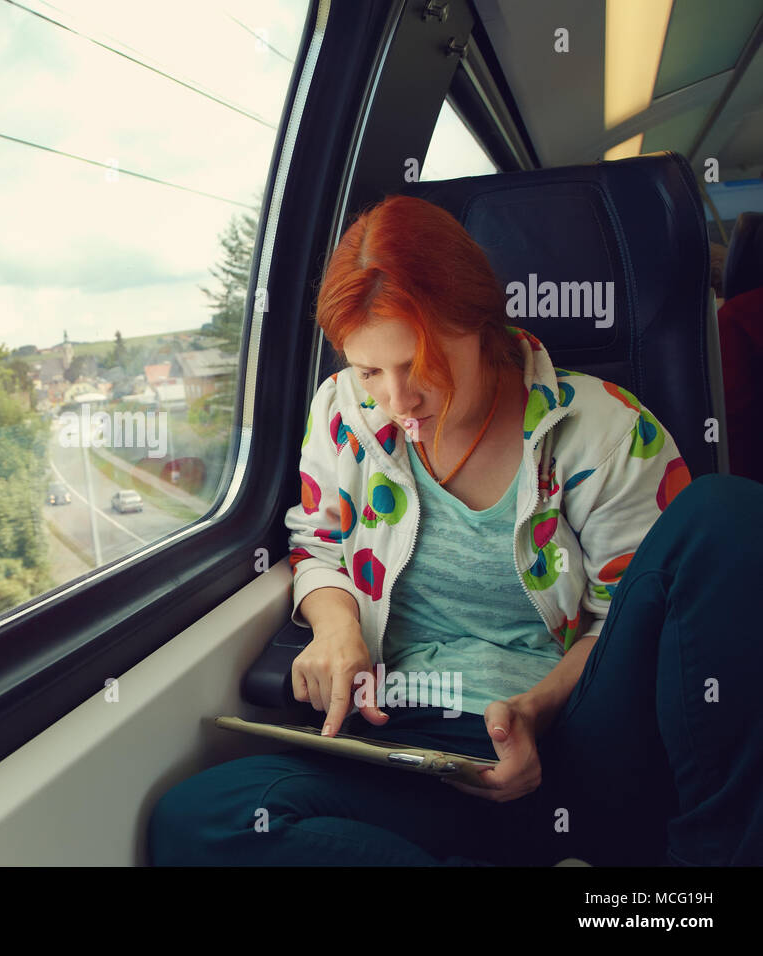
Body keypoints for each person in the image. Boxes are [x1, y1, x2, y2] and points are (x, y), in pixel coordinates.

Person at [147, 195, 763, 866]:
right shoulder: (343, 412)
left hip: (580, 733)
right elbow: (317, 544)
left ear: (480, 323)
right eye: (369, 370)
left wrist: (536, 708)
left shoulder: (605, 430)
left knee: (724, 516)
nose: (397, 399)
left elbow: (625, 621)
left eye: (421, 365)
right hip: (419, 745)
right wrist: (337, 630)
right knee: (205, 817)